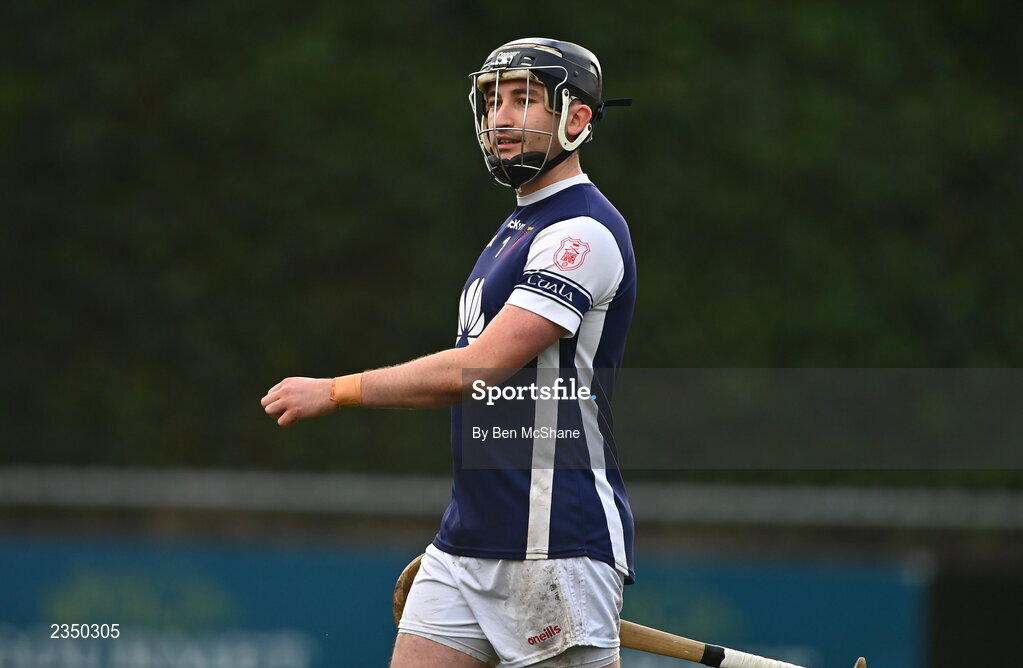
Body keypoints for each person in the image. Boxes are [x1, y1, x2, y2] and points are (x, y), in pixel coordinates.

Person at [261, 37, 636, 668]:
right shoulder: (520, 226)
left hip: (555, 544)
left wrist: (335, 390)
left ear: (577, 120)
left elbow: (478, 368)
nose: (502, 118)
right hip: (468, 541)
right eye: (493, 100)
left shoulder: (582, 232)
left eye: (525, 100)